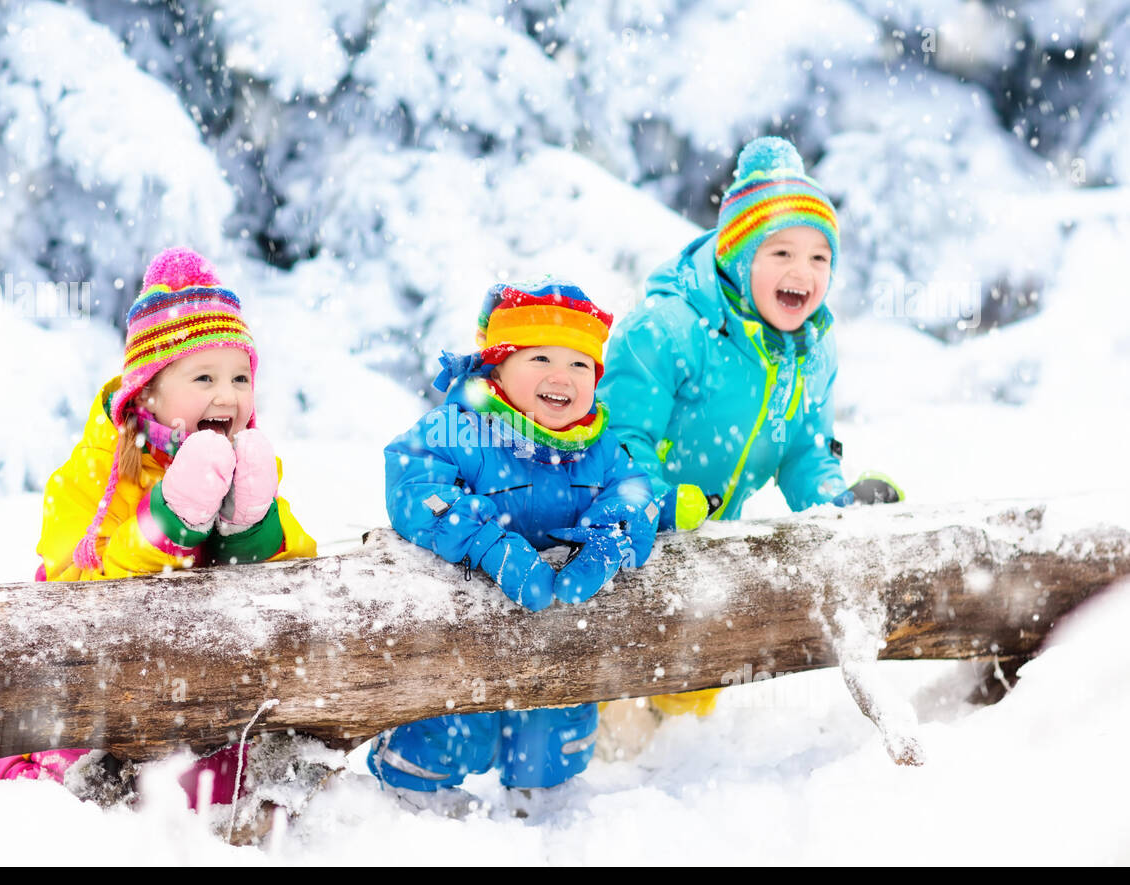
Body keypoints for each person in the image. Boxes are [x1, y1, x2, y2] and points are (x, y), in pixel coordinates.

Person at [0, 247, 316, 799]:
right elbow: (73, 592)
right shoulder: (96, 470)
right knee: (67, 776)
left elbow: (299, 580)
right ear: (148, 389)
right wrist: (167, 521)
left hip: (194, 680)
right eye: (204, 378)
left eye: (241, 377)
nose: (229, 395)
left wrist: (253, 530)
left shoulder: (247, 464)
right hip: (89, 679)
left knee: (215, 775)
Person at [598, 136, 901, 725]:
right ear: (740, 257)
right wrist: (657, 502)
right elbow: (618, 438)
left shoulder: (812, 348)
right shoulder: (666, 329)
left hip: (710, 551)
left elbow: (803, 453)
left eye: (820, 258)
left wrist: (835, 505)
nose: (803, 272)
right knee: (618, 716)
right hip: (623, 547)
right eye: (781, 252)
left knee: (686, 704)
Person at [367, 279, 659, 794]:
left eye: (579, 364)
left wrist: (609, 536)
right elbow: (415, 484)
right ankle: (408, 807)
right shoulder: (461, 428)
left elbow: (637, 490)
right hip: (461, 634)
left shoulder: (601, 446)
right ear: (497, 367)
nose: (561, 377)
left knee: (551, 747)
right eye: (541, 359)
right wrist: (486, 542)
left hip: (561, 639)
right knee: (450, 728)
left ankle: (545, 818)